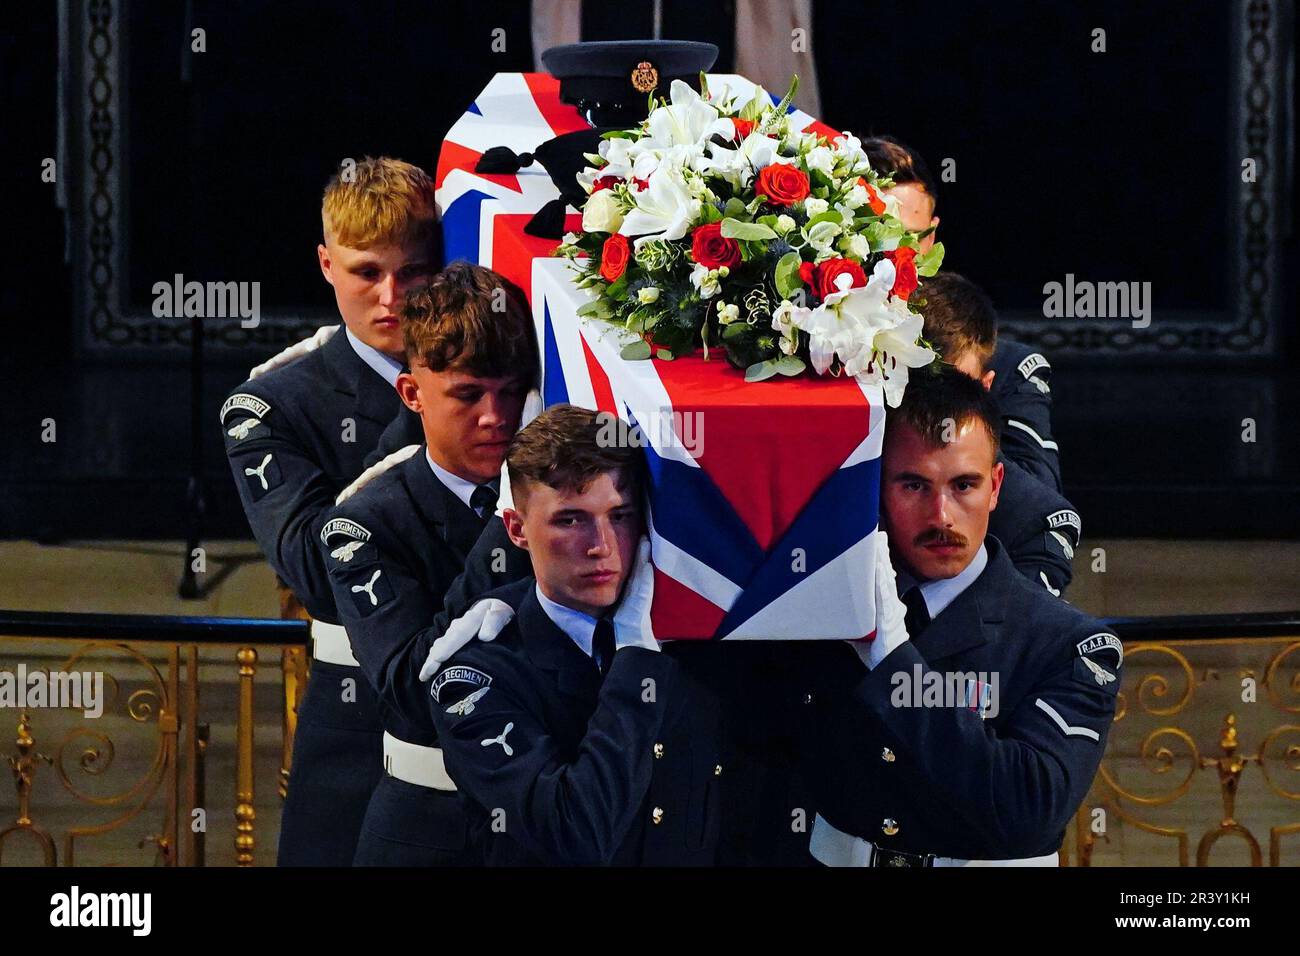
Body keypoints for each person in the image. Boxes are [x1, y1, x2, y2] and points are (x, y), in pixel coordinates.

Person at [786, 365, 1120, 865]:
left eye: (963, 485)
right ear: (877, 487)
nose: (941, 516)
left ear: (996, 486)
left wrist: (893, 659)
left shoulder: (1067, 644)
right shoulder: (829, 611)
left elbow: (1026, 809)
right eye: (914, 486)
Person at [220, 157, 438, 866]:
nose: (392, 297)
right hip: (360, 718)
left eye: (413, 272)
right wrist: (430, 406)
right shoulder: (272, 404)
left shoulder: (499, 370)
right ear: (325, 264)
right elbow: (319, 571)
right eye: (366, 272)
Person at [426, 405, 724, 865]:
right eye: (570, 519)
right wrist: (636, 657)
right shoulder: (473, 679)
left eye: (620, 516)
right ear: (518, 529)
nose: (601, 546)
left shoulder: (693, 642)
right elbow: (575, 835)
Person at [320, 263, 537, 865]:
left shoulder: (573, 501)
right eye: (467, 394)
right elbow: (413, 689)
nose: (496, 417)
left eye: (513, 391)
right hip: (427, 827)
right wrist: (514, 514)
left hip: (544, 821)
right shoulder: (364, 525)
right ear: (413, 393)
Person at [919, 272, 1077, 595]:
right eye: (919, 387)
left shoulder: (1036, 523)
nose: (934, 413)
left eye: (956, 392)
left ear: (986, 387)